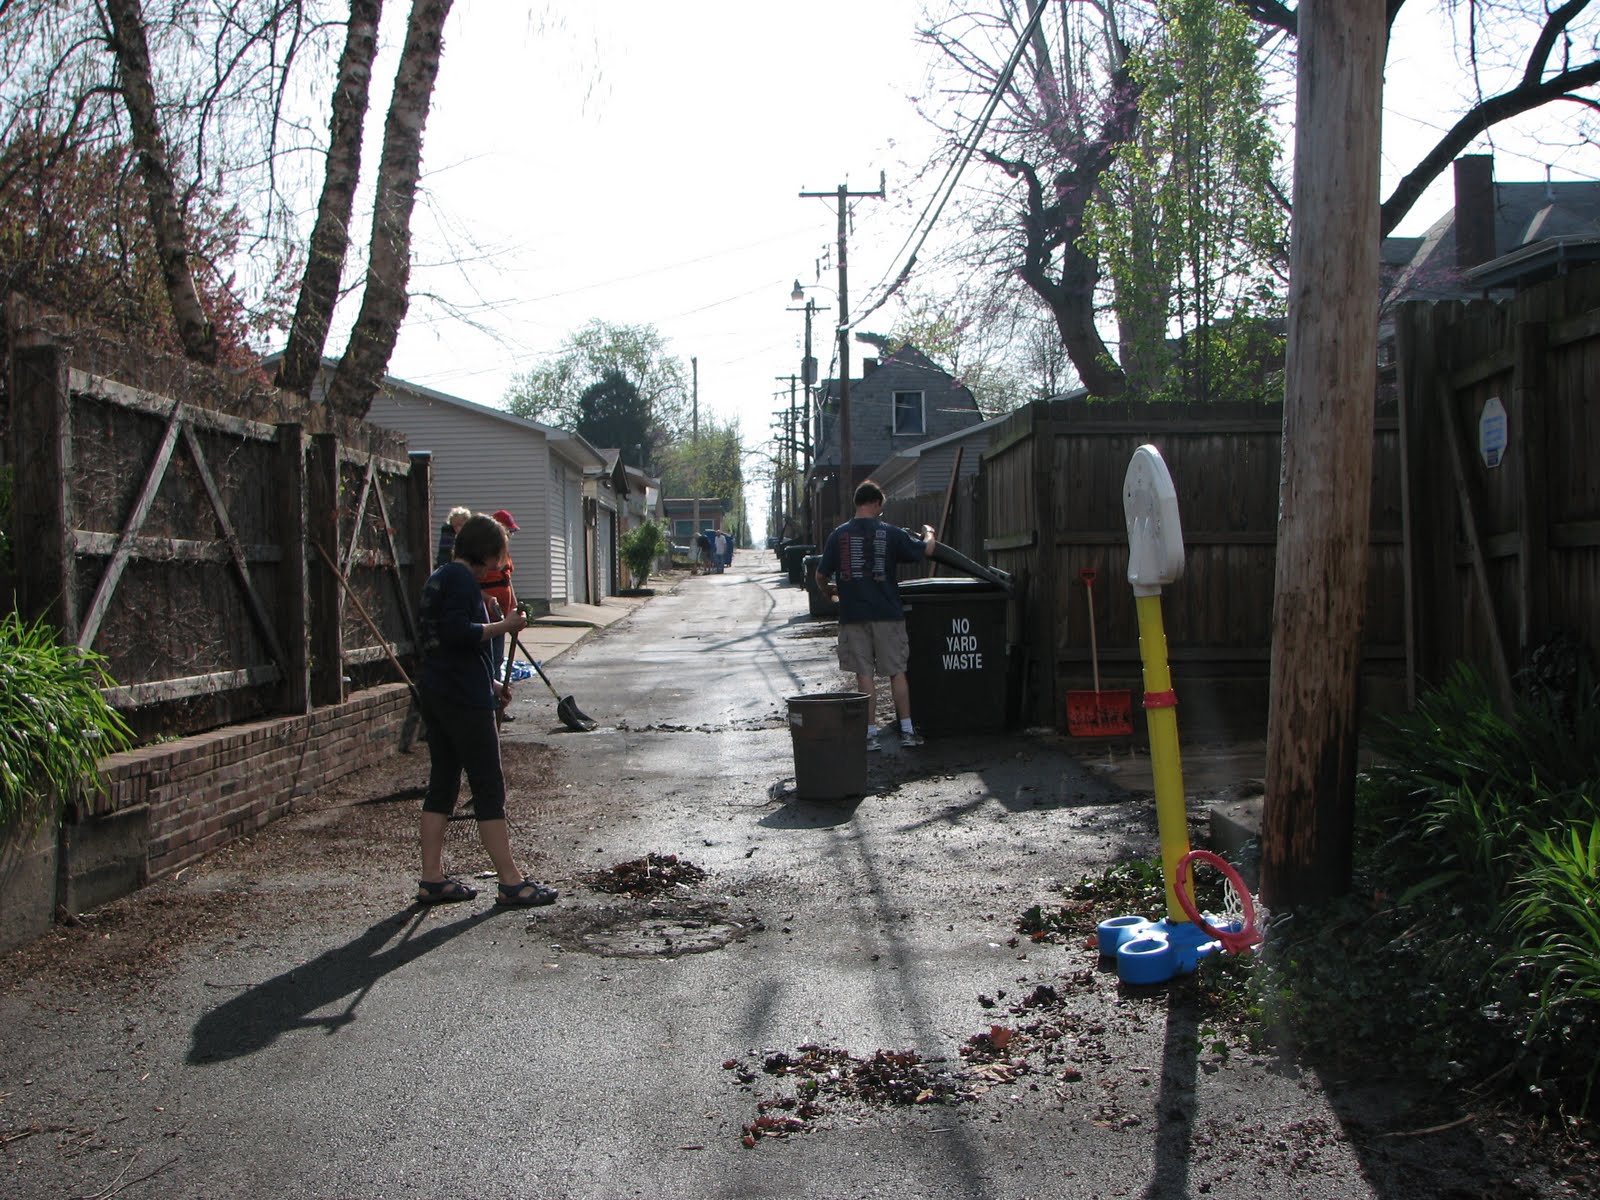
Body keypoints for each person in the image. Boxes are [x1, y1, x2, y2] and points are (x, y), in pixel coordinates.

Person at [413, 512, 557, 908]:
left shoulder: (440, 576)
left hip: (439, 691)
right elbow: (461, 634)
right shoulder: (462, 580)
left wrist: (491, 684)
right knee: (488, 786)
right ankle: (512, 882)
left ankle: (431, 879)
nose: (501, 562)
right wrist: (506, 625)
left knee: (442, 782)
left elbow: (442, 644)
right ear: (488, 552)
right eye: (500, 553)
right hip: (463, 700)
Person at [815, 480, 936, 751]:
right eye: (881, 507)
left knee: (864, 674)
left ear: (858, 503)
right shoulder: (890, 533)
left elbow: (821, 574)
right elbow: (926, 550)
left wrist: (828, 592)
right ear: (876, 504)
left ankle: (869, 735)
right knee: (897, 671)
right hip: (888, 614)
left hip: (853, 614)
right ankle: (906, 730)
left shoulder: (838, 535)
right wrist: (929, 533)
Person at [481, 509, 519, 711]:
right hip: (488, 618)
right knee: (490, 661)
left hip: (503, 617)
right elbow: (474, 586)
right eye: (508, 532)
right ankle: (493, 705)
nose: (510, 536)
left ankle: (498, 705)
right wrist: (489, 599)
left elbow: (508, 583)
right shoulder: (484, 558)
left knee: (498, 659)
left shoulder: (505, 556)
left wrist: (514, 608)